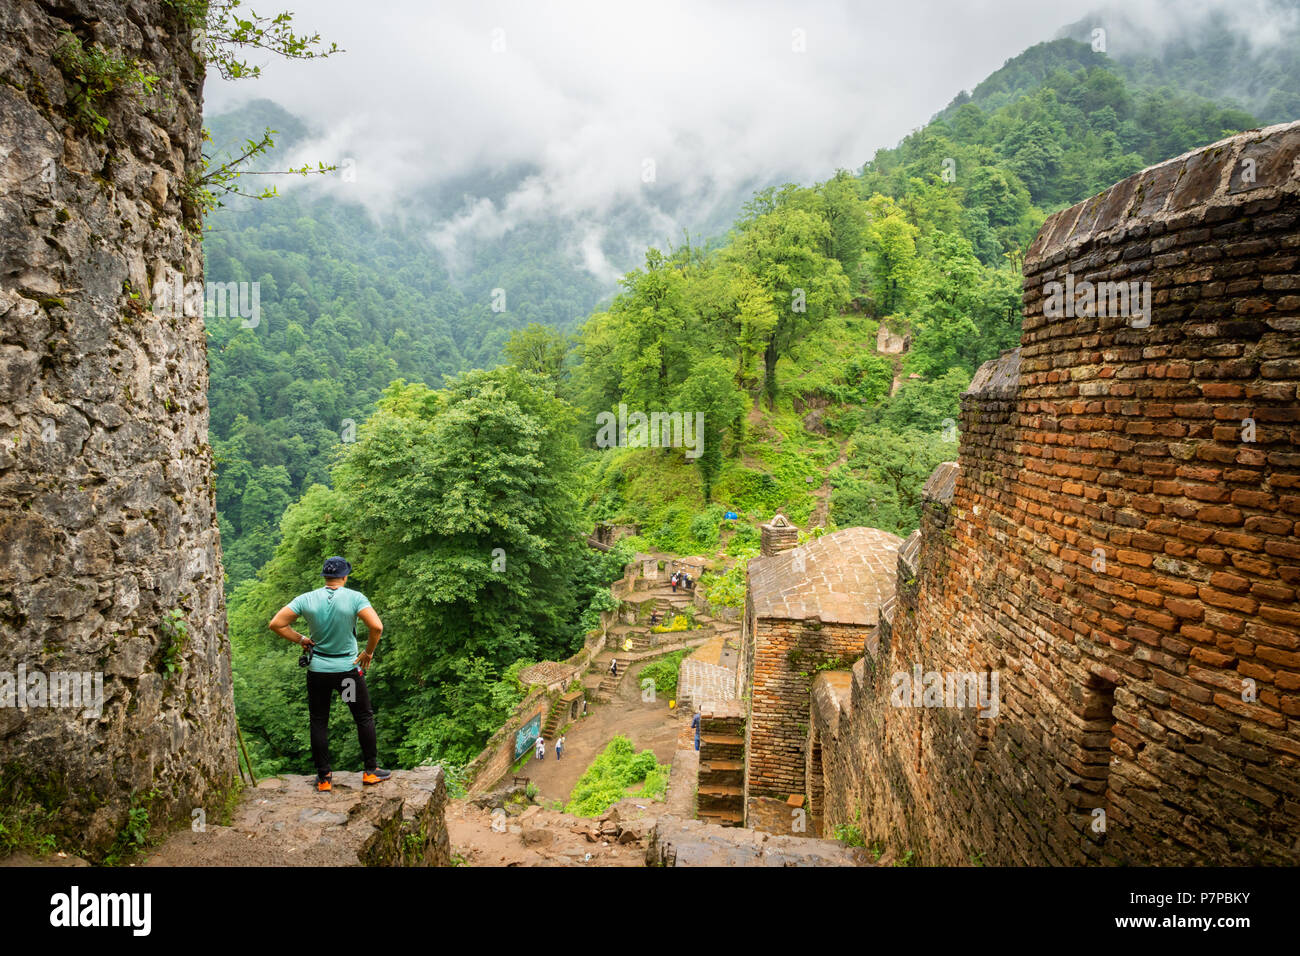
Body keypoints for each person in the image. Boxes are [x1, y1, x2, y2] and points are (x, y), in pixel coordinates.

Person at [269, 556, 390, 793]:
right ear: (345, 576)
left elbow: (276, 624)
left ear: (325, 576)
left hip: (319, 672)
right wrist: (368, 652)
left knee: (319, 721)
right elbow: (376, 627)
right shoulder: (355, 598)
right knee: (362, 717)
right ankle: (370, 772)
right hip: (346, 672)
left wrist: (302, 639)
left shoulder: (306, 599)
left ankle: (324, 778)